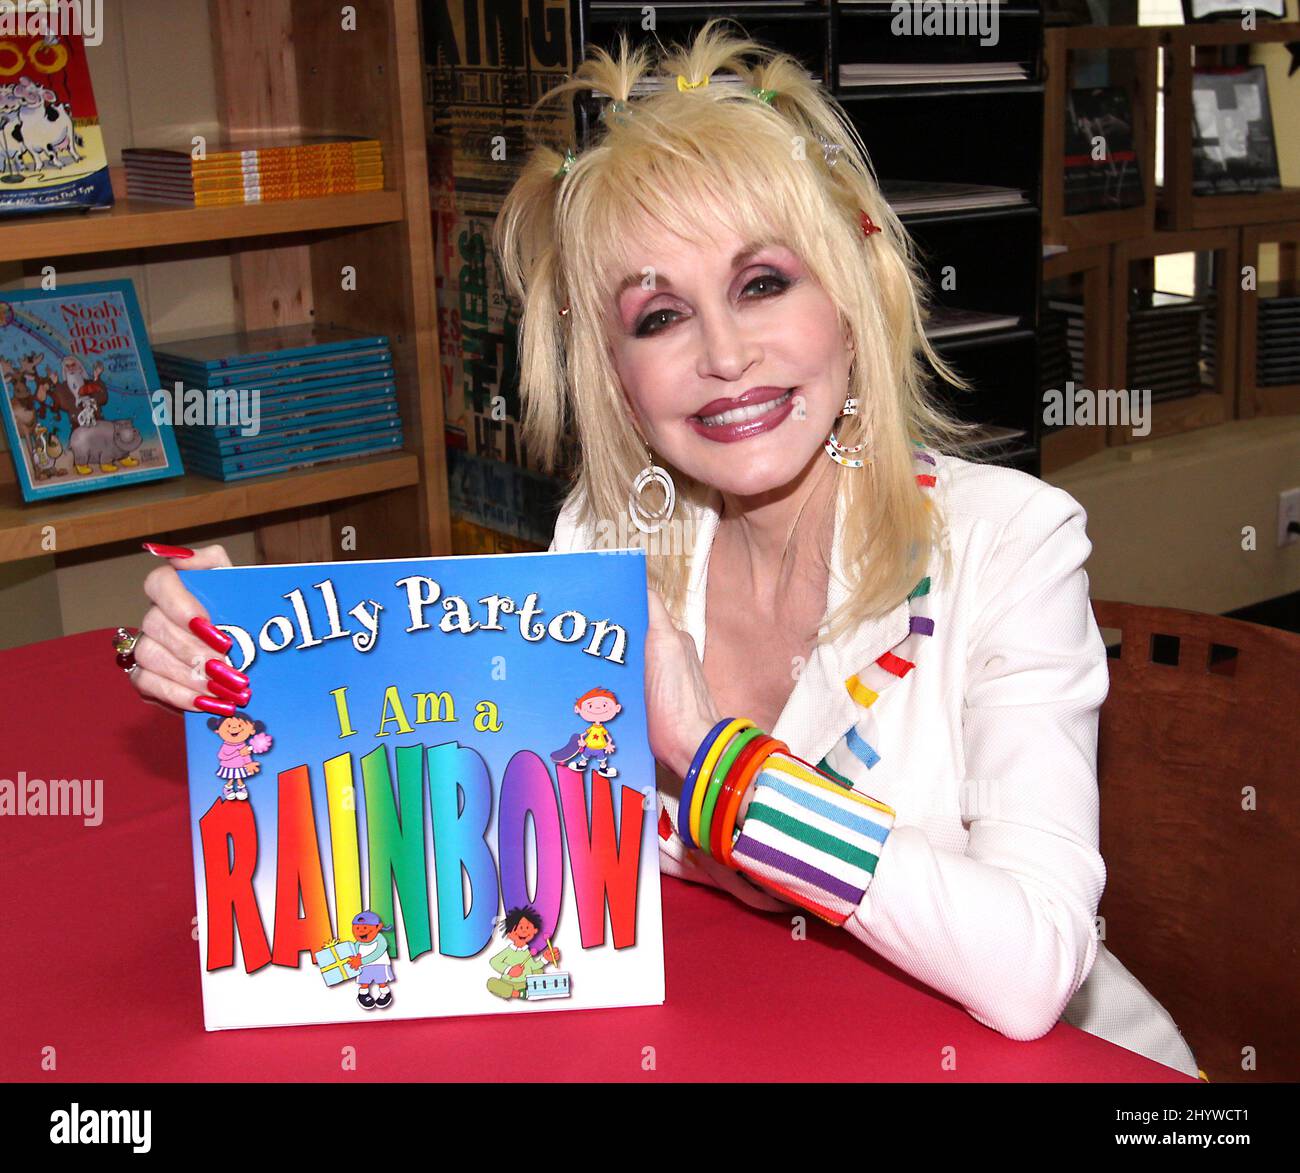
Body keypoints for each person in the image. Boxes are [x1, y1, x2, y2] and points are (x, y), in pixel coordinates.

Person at [120, 19, 1201, 1078]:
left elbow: (1030, 972)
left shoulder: (1009, 542)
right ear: (618, 382)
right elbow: (486, 833)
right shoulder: (604, 543)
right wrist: (269, 671)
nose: (724, 355)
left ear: (852, 301)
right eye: (659, 317)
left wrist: (711, 756)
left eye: (762, 283)